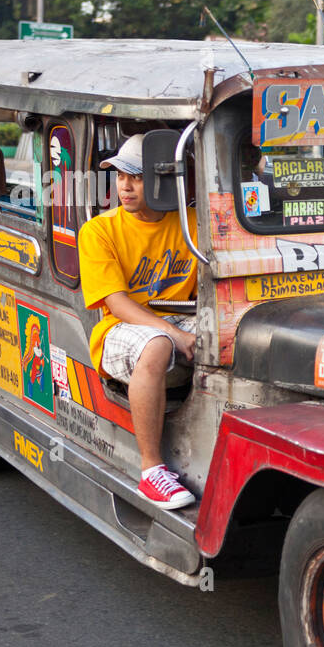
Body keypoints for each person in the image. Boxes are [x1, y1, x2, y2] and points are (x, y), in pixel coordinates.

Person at [77, 134, 199, 509]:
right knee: (157, 344)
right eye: (120, 176)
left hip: (182, 317)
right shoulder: (100, 230)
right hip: (120, 329)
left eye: (137, 176)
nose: (125, 186)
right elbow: (117, 303)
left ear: (163, 180)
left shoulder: (194, 222)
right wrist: (176, 335)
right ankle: (152, 471)